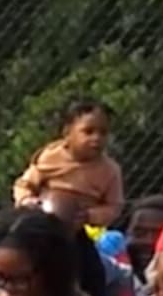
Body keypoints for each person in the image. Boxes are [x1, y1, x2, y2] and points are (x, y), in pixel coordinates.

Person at [12, 97, 125, 229]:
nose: (97, 138)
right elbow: (23, 184)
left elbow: (114, 207)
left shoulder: (110, 170)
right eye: (88, 132)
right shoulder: (50, 156)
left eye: (103, 133)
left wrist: (90, 215)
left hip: (81, 229)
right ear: (67, 133)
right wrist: (27, 201)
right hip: (42, 222)